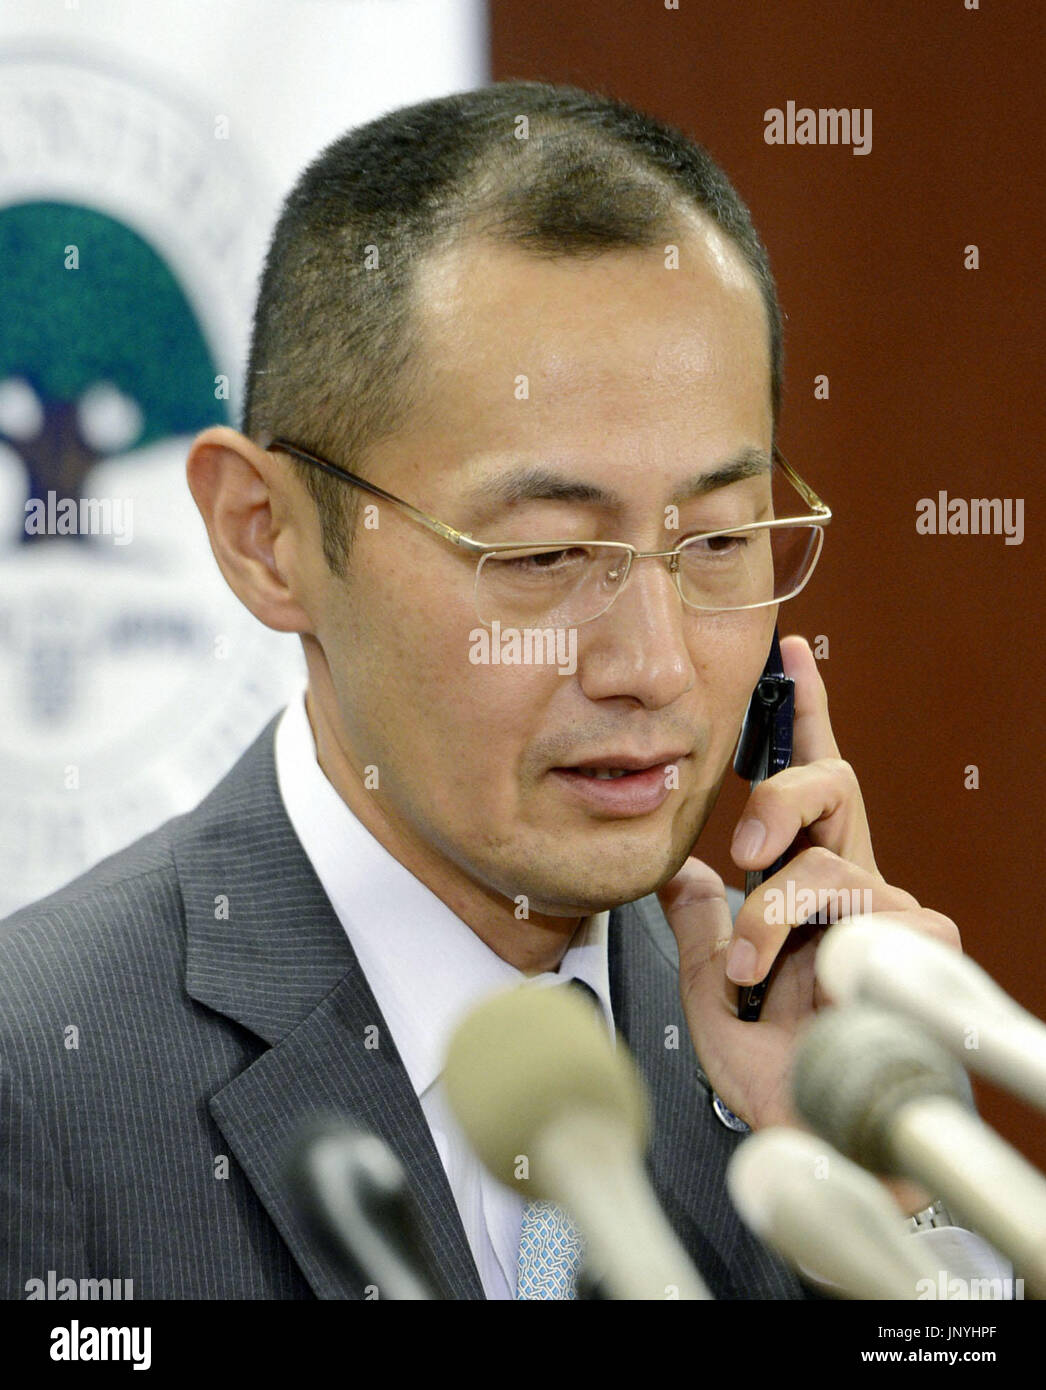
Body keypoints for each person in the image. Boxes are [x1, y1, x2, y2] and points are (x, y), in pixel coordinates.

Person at [0, 81, 992, 1300]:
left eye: (719, 543)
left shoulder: (784, 1034)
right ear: (268, 537)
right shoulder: (38, 1082)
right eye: (541, 557)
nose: (656, 667)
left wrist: (887, 1205)